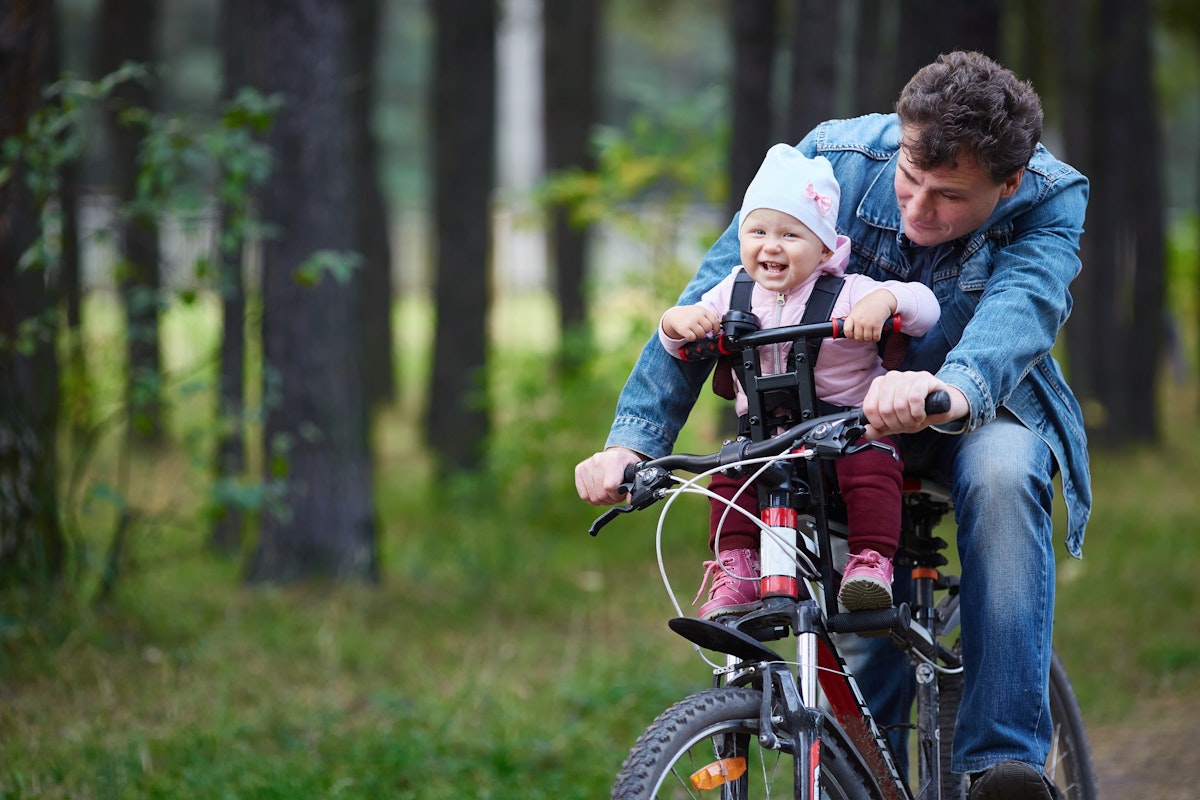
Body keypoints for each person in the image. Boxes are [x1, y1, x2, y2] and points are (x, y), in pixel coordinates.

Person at [575, 51, 1090, 800]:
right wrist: (633, 442)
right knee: (860, 631)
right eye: (909, 181)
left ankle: (1002, 762)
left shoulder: (1047, 197)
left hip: (976, 408)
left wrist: (947, 388)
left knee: (1006, 473)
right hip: (835, 422)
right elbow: (718, 296)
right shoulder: (831, 160)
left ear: (1006, 184)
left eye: (948, 198)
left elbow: (1022, 309)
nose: (917, 212)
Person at [657, 144, 939, 619]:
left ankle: (869, 565)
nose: (771, 245)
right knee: (728, 474)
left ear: (826, 248)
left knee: (872, 462)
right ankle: (737, 568)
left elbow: (925, 308)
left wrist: (888, 301)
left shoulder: (850, 291)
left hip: (844, 431)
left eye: (791, 234)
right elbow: (678, 340)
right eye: (758, 231)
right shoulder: (731, 291)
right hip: (766, 437)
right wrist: (674, 322)